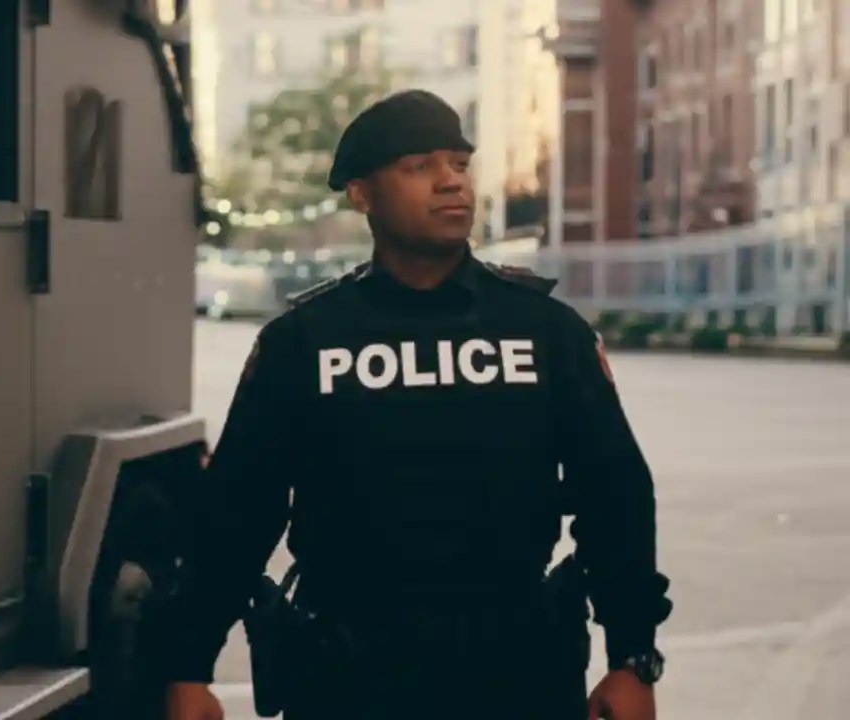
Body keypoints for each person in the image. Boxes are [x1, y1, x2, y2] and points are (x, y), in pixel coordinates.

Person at [161, 89, 672, 719]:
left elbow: (614, 496)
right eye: (420, 166)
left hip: (514, 674)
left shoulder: (545, 332)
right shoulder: (305, 342)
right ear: (361, 193)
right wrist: (188, 667)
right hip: (350, 678)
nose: (451, 181)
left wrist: (632, 658)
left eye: (458, 163)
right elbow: (238, 512)